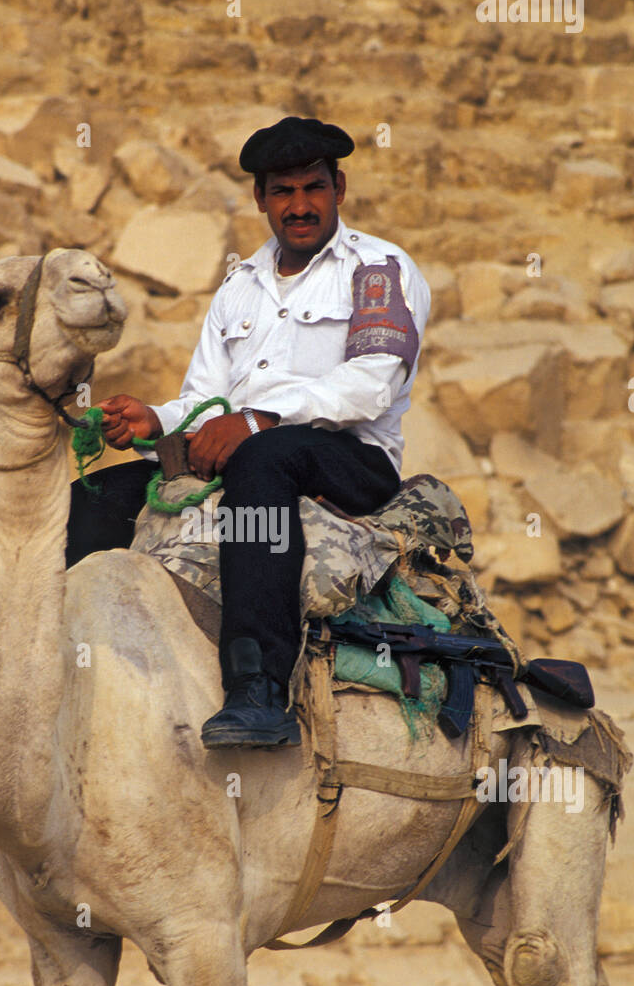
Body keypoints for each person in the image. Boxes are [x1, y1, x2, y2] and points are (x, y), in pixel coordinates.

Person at [65, 116, 431, 749]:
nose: (300, 206)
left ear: (339, 187)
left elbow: (371, 385)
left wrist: (260, 419)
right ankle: (66, 666)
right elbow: (210, 404)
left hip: (349, 458)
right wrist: (156, 421)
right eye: (283, 192)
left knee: (262, 462)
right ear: (261, 199)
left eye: (312, 188)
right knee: (95, 497)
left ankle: (257, 685)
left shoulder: (377, 269)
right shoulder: (241, 285)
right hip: (252, 449)